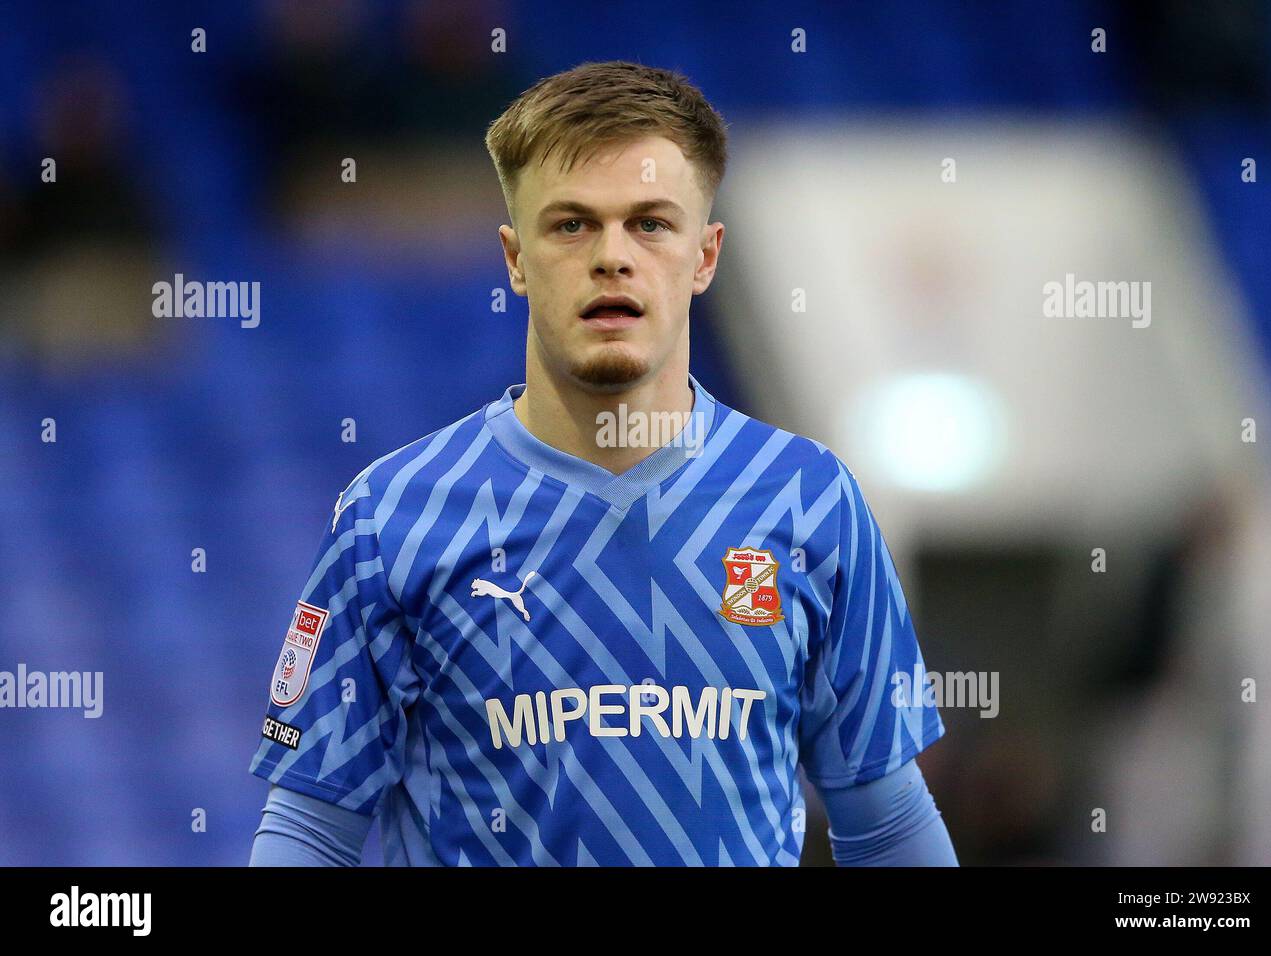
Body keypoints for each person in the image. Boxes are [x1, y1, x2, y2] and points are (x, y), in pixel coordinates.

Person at [249, 60, 957, 867]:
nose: (612, 257)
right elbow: (311, 831)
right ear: (516, 259)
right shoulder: (393, 517)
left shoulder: (810, 501)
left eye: (651, 223)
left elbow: (889, 821)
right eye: (572, 225)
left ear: (705, 255)